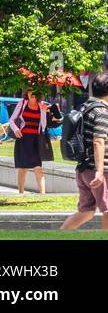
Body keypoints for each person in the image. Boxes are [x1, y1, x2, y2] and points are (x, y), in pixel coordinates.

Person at [61, 72, 108, 231]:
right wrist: (100, 171)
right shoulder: (102, 112)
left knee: (86, 212)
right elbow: (98, 141)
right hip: (99, 171)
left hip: (83, 169)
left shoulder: (85, 107)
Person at [8, 89, 49, 195]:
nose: (33, 94)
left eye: (35, 92)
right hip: (23, 139)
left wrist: (44, 111)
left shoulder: (41, 105)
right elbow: (11, 120)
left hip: (36, 140)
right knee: (22, 169)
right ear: (27, 93)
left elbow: (43, 125)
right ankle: (21, 194)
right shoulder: (22, 103)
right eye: (30, 91)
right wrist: (16, 129)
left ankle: (43, 195)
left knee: (38, 168)